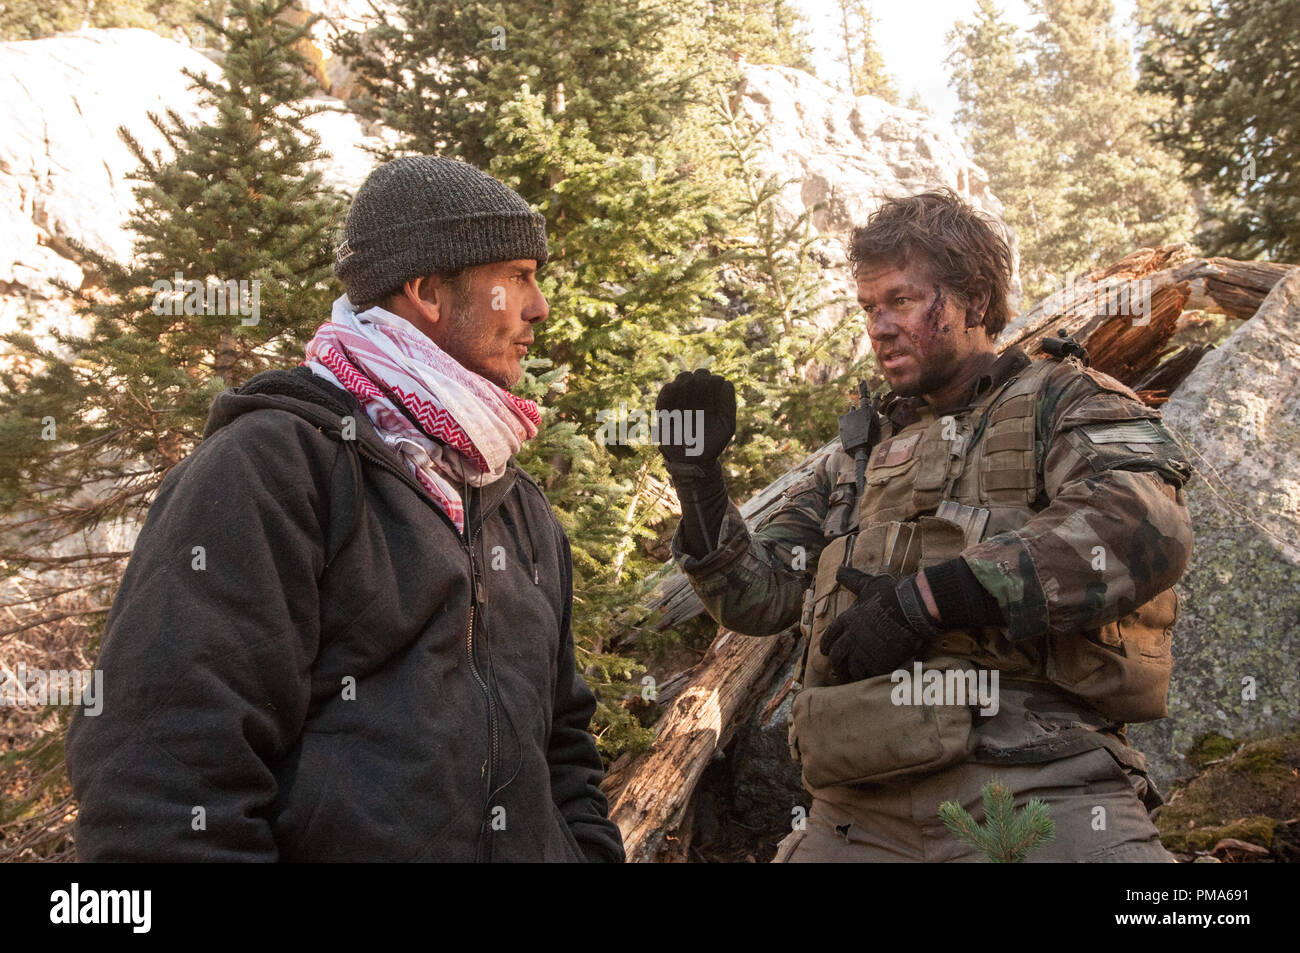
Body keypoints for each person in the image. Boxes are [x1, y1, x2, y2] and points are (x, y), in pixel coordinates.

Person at [66, 155, 625, 863]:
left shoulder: (516, 503)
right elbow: (160, 781)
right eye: (516, 277)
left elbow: (566, 747)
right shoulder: (271, 470)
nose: (539, 306)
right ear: (425, 290)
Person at [656, 189, 1193, 862]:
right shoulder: (858, 456)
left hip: (1034, 780)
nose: (878, 326)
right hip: (854, 808)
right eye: (867, 308)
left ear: (972, 300)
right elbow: (759, 596)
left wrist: (930, 600)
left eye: (901, 301)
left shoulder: (1063, 399)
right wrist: (700, 485)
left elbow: (1142, 524)